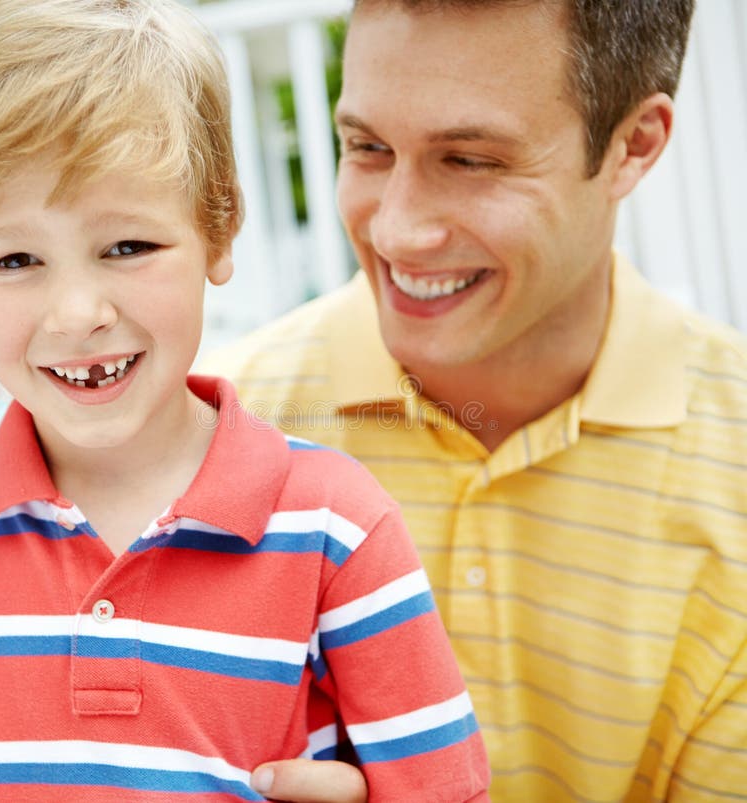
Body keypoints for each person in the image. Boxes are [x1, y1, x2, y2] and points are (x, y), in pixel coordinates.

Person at [199, 1, 747, 801]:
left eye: (471, 161)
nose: (397, 229)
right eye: (368, 147)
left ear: (634, 145)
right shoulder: (208, 435)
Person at [0, 1, 490, 800]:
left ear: (221, 226)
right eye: (15, 259)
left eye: (126, 246)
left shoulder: (337, 528)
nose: (76, 312)